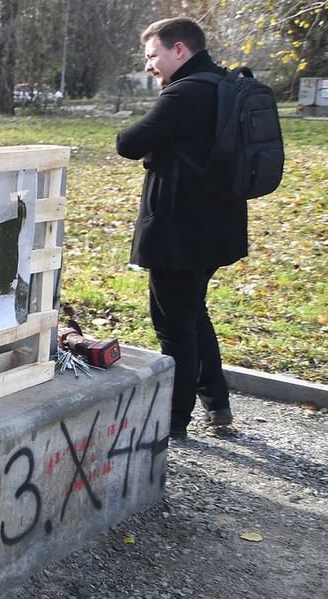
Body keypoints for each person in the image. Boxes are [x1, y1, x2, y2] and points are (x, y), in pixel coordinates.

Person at [116, 17, 242, 439]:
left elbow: (128, 142)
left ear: (180, 50)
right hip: (217, 224)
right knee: (192, 313)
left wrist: (156, 141)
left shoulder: (187, 92)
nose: (150, 65)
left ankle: (173, 420)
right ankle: (217, 402)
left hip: (179, 230)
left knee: (173, 324)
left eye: (154, 55)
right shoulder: (223, 84)